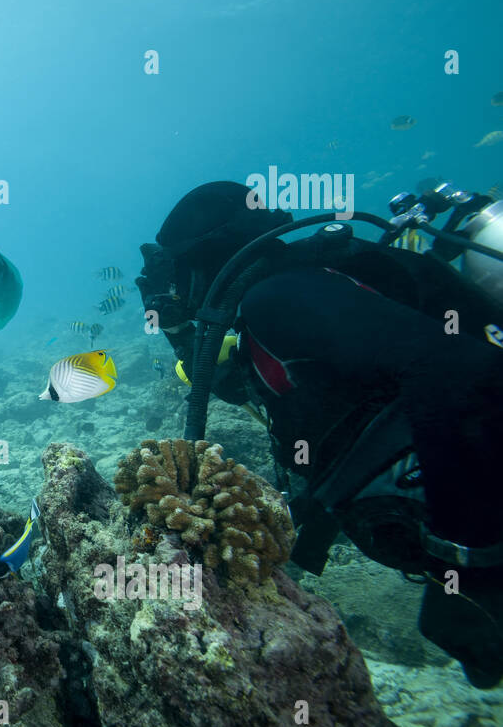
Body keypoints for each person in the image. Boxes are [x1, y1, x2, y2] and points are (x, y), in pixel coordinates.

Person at [136, 180, 503, 687]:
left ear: (205, 260)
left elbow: (462, 372)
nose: (172, 290)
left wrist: (470, 572)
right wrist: (178, 328)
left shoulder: (278, 298)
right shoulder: (279, 303)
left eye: (175, 274)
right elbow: (233, 384)